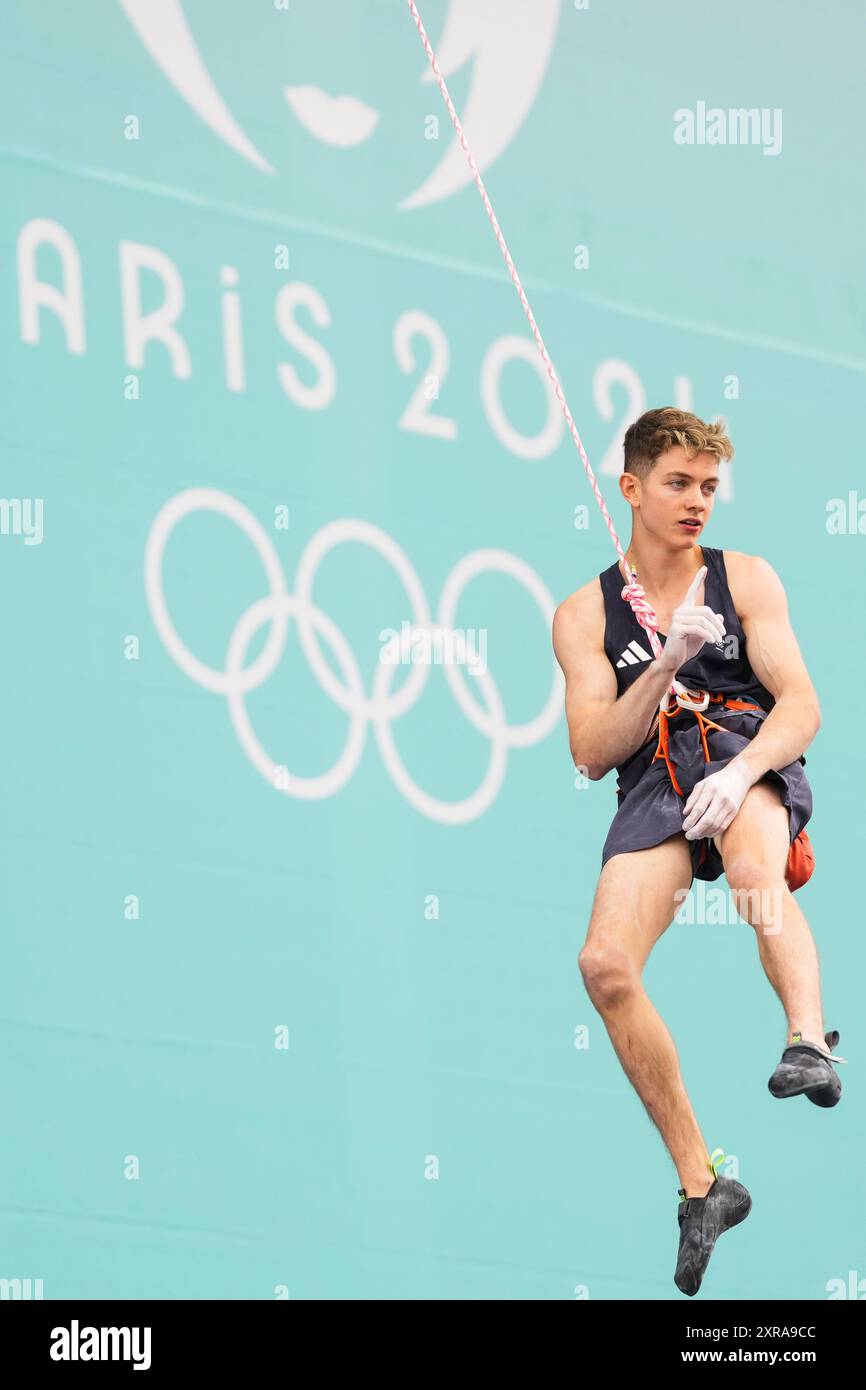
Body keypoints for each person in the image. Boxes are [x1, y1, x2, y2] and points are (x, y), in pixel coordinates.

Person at [551, 407, 846, 1296]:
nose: (696, 503)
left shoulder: (745, 577)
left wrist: (750, 768)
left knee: (757, 871)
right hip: (654, 780)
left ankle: (810, 1043)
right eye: (678, 483)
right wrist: (663, 658)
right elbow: (592, 748)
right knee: (604, 965)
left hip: (739, 749)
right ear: (632, 489)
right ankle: (703, 1184)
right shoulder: (583, 613)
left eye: (710, 487)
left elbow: (802, 705)